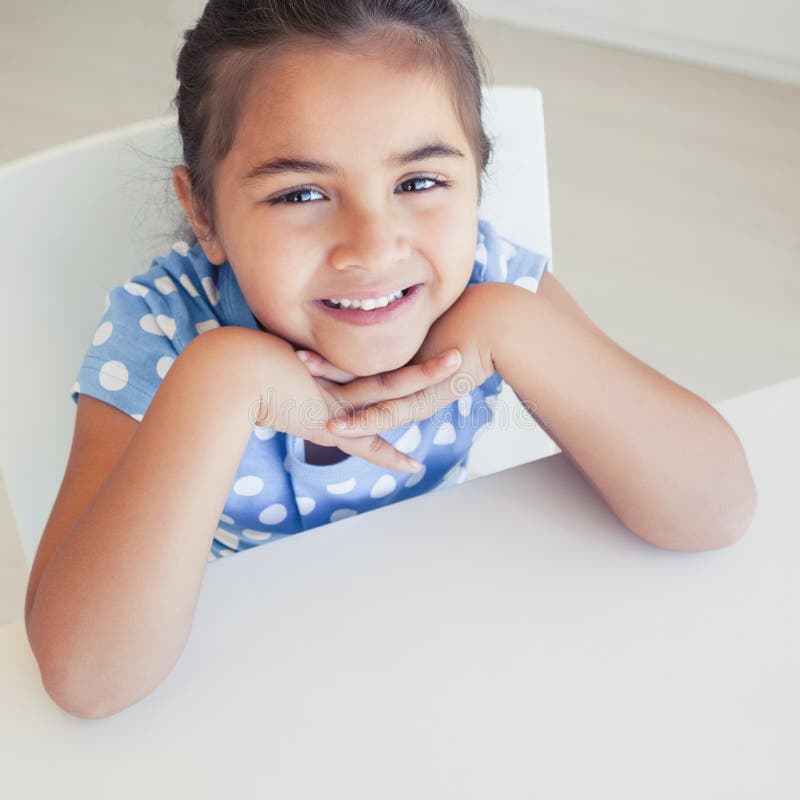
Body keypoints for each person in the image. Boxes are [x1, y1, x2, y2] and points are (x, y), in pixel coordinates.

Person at [24, 0, 757, 719]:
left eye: (418, 182)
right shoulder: (161, 330)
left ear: (479, 178)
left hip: (452, 660)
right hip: (246, 693)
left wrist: (516, 325)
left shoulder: (492, 283)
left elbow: (715, 510)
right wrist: (219, 380)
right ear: (204, 214)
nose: (373, 249)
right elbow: (86, 678)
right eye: (301, 193)